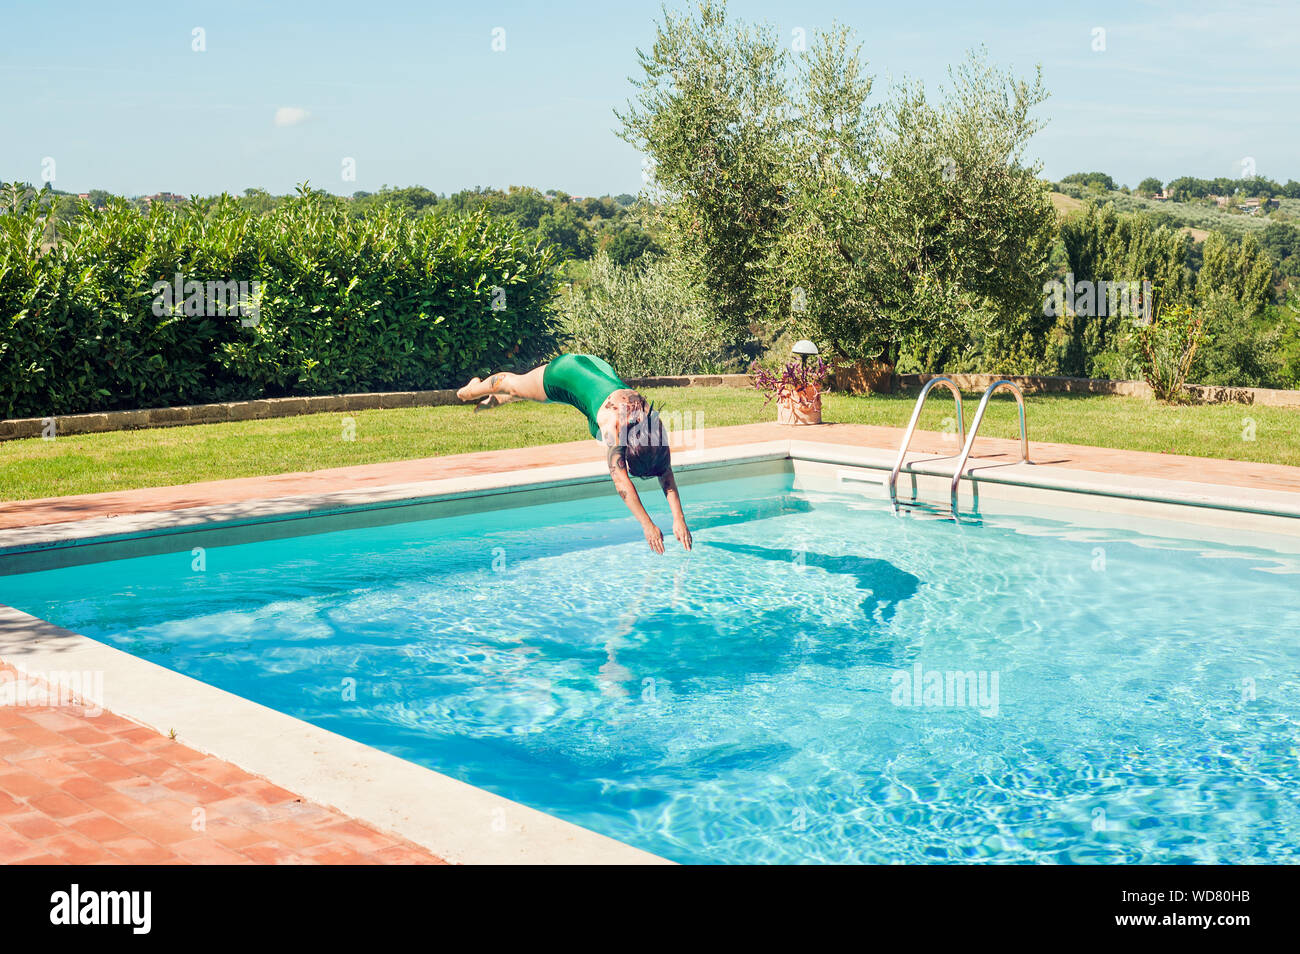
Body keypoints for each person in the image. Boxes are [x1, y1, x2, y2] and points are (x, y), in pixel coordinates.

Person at [456, 354, 692, 554]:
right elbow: (621, 482)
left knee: (539, 395)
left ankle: (505, 398)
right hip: (567, 372)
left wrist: (678, 517)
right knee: (516, 384)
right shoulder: (612, 426)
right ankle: (473, 389)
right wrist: (647, 525)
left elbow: (664, 468)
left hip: (599, 372)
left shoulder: (651, 424)